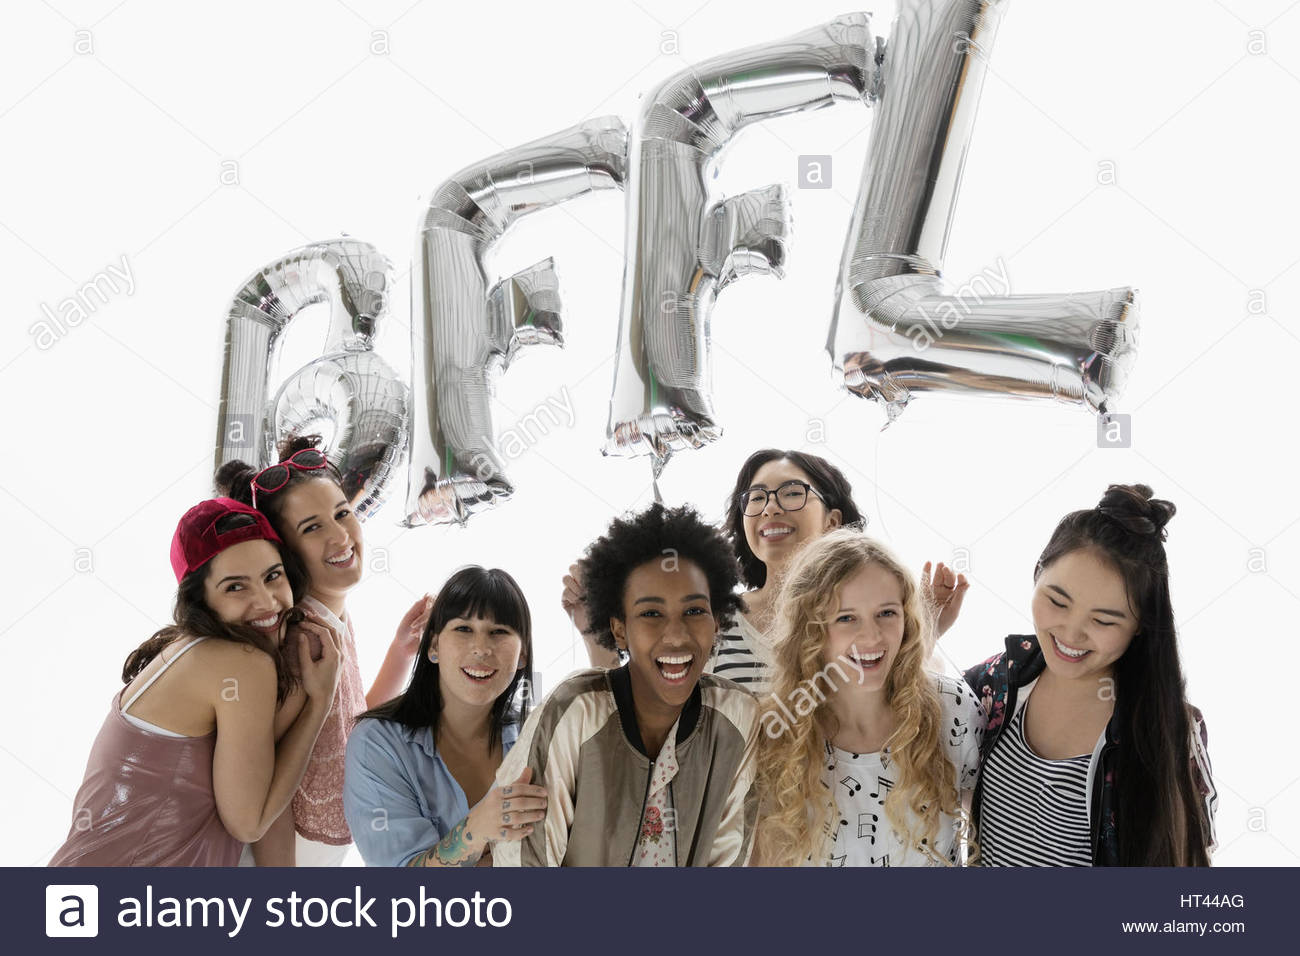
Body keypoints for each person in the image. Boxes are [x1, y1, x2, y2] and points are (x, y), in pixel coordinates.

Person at [50, 498, 341, 866]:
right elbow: (249, 823)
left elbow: (266, 782)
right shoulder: (240, 664)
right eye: (236, 587)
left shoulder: (192, 652)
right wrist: (320, 702)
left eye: (272, 576)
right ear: (201, 600)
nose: (267, 601)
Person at [564, 449, 968, 695]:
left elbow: (901, 708)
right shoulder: (715, 616)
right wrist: (592, 629)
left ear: (832, 520)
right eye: (756, 498)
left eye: (792, 493)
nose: (771, 508)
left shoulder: (866, 618)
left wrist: (924, 628)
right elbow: (637, 703)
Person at [963, 483, 1217, 866]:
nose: (1072, 633)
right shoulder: (992, 685)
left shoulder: (1168, 729)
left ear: (1141, 626)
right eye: (1057, 601)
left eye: (1103, 620)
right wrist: (926, 628)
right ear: (1036, 574)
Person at [496, 504, 758, 866]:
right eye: (651, 614)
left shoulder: (736, 717)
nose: (676, 635)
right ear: (619, 629)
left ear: (717, 622)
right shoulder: (575, 711)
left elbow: (730, 858)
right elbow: (522, 860)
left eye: (695, 611)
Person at [217, 437, 429, 865]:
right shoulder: (299, 641)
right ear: (282, 551)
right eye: (312, 527)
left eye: (342, 513)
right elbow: (261, 783)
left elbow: (353, 730)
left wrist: (401, 653)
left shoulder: (331, 620)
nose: (339, 535)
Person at [753, 529, 983, 866]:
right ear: (812, 630)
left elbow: (985, 839)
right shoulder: (773, 734)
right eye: (847, 618)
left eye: (887, 613)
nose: (872, 636)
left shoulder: (953, 708)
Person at [343, 566, 547, 866]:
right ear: (434, 645)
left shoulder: (537, 734)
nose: (481, 648)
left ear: (523, 655)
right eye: (464, 629)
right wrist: (476, 828)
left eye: (499, 632)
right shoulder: (376, 742)